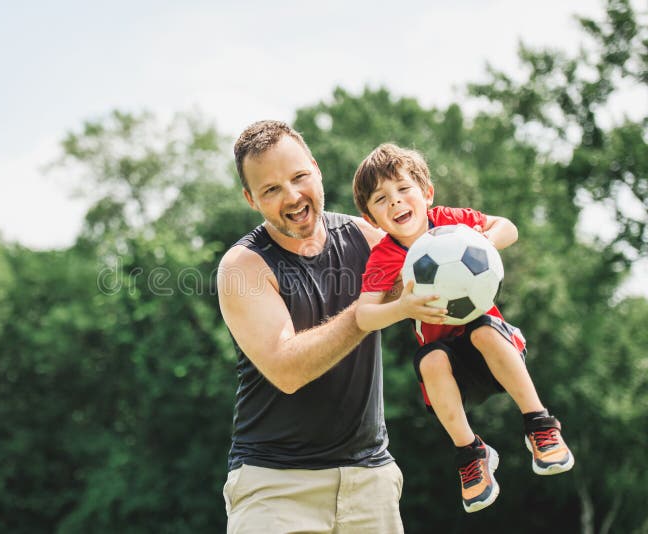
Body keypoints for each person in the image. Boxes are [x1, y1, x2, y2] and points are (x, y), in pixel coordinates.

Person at [352, 143, 574, 513]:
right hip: (450, 367)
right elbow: (363, 317)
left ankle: (539, 423)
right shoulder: (385, 256)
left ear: (426, 193)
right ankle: (471, 453)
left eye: (403, 189)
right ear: (372, 219)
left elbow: (509, 227)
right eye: (381, 199)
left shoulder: (451, 223)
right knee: (430, 361)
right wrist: (402, 306)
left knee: (483, 330)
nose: (395, 202)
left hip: (496, 349)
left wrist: (483, 243)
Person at [217, 121, 405, 533]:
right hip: (276, 489)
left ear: (317, 170)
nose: (292, 196)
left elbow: (428, 278)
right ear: (251, 199)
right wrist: (370, 310)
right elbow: (287, 369)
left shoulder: (366, 237)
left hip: (370, 481)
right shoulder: (243, 266)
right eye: (271, 189)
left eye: (299, 177)